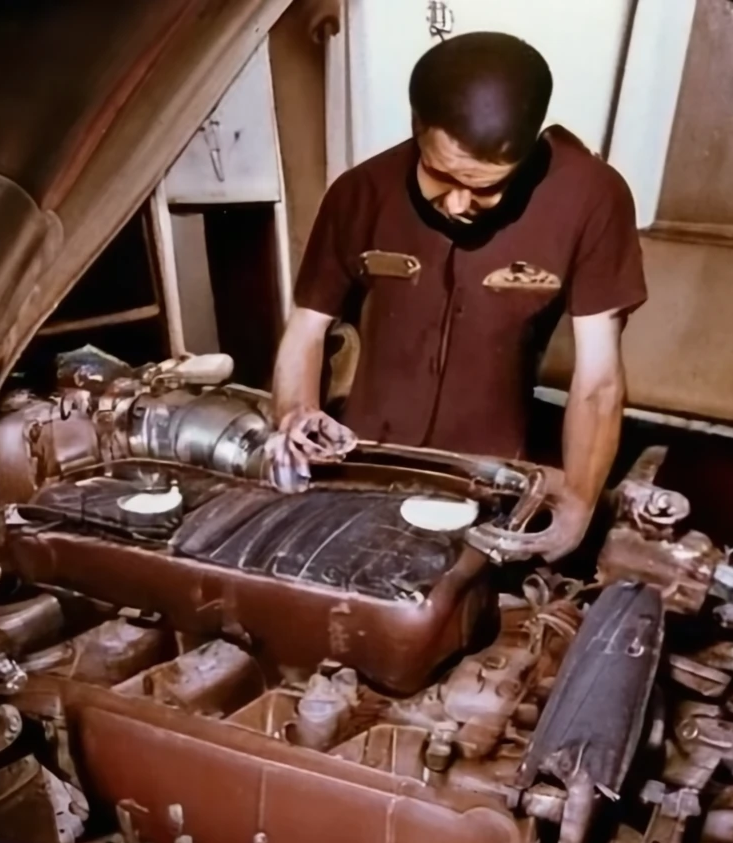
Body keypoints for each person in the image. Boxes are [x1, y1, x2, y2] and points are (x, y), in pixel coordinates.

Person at [269, 31, 647, 562]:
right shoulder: (359, 193)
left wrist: (578, 506)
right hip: (364, 464)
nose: (459, 202)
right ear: (416, 127)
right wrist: (295, 414)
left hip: (490, 480)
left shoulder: (592, 198)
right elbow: (307, 328)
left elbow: (599, 378)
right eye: (439, 175)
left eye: (488, 187)